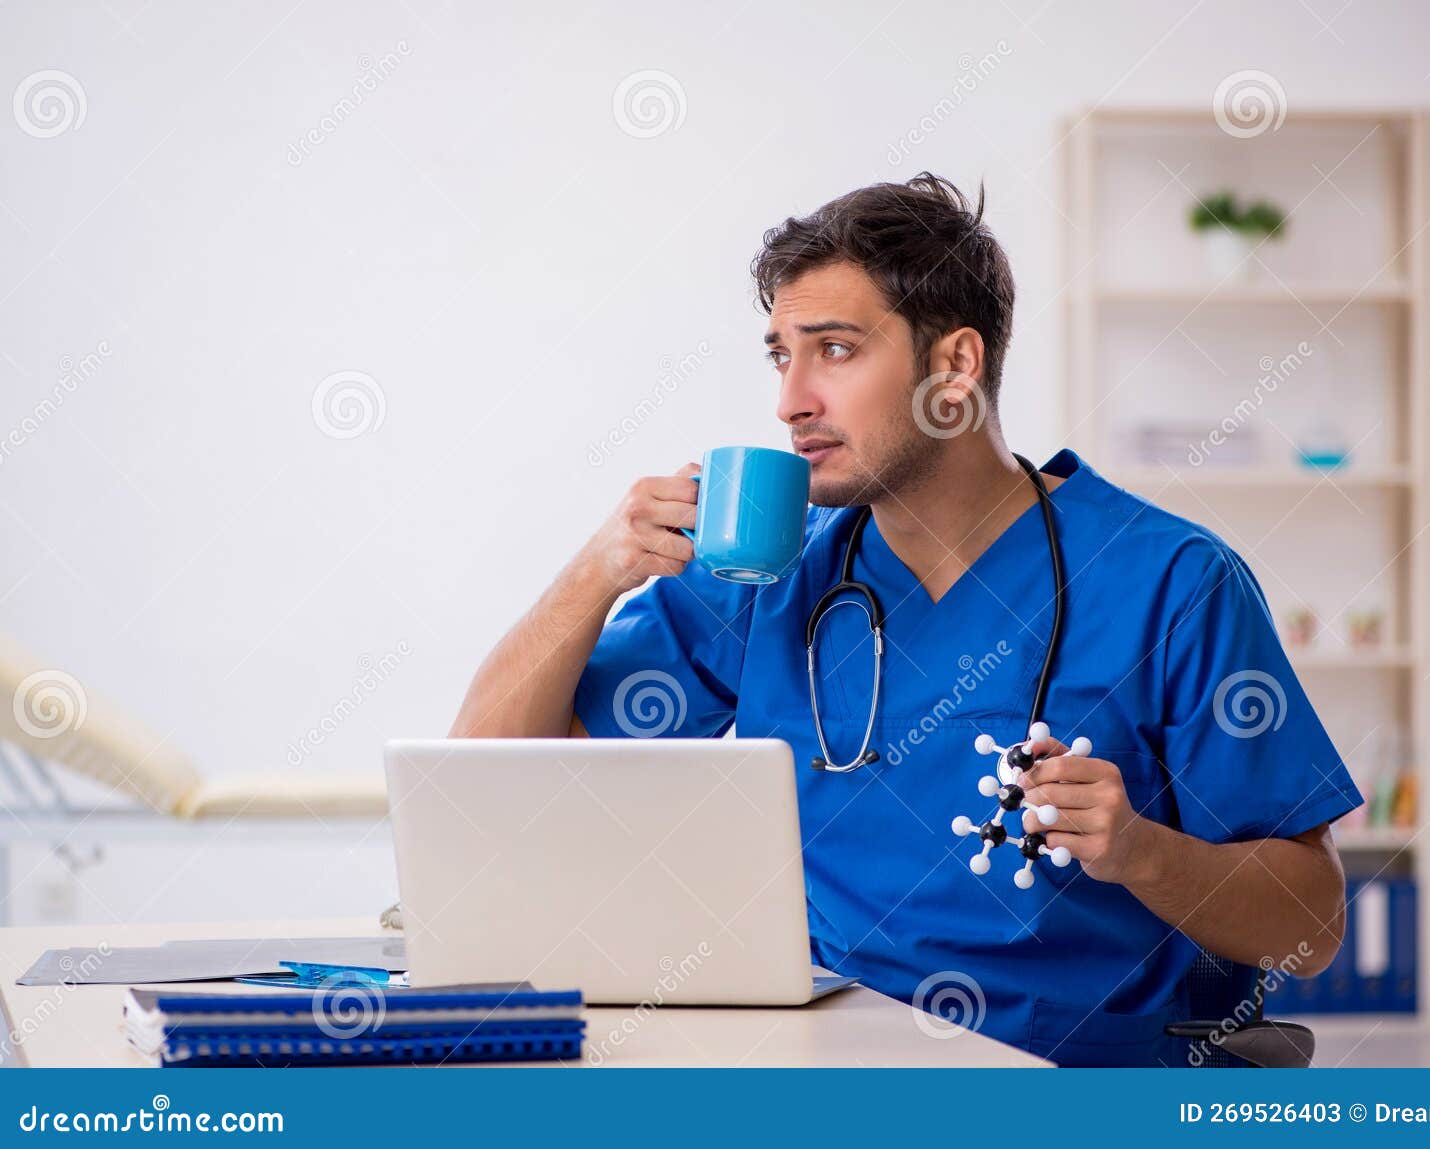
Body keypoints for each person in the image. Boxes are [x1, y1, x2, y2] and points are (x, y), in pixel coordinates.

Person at [451, 173, 1361, 1066]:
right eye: (780, 355)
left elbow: (1311, 925)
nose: (790, 401)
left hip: (1071, 1082)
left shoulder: (1171, 581)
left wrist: (1139, 852)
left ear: (954, 366)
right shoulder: (772, 566)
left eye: (835, 349)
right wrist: (593, 575)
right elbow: (485, 782)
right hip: (820, 1068)